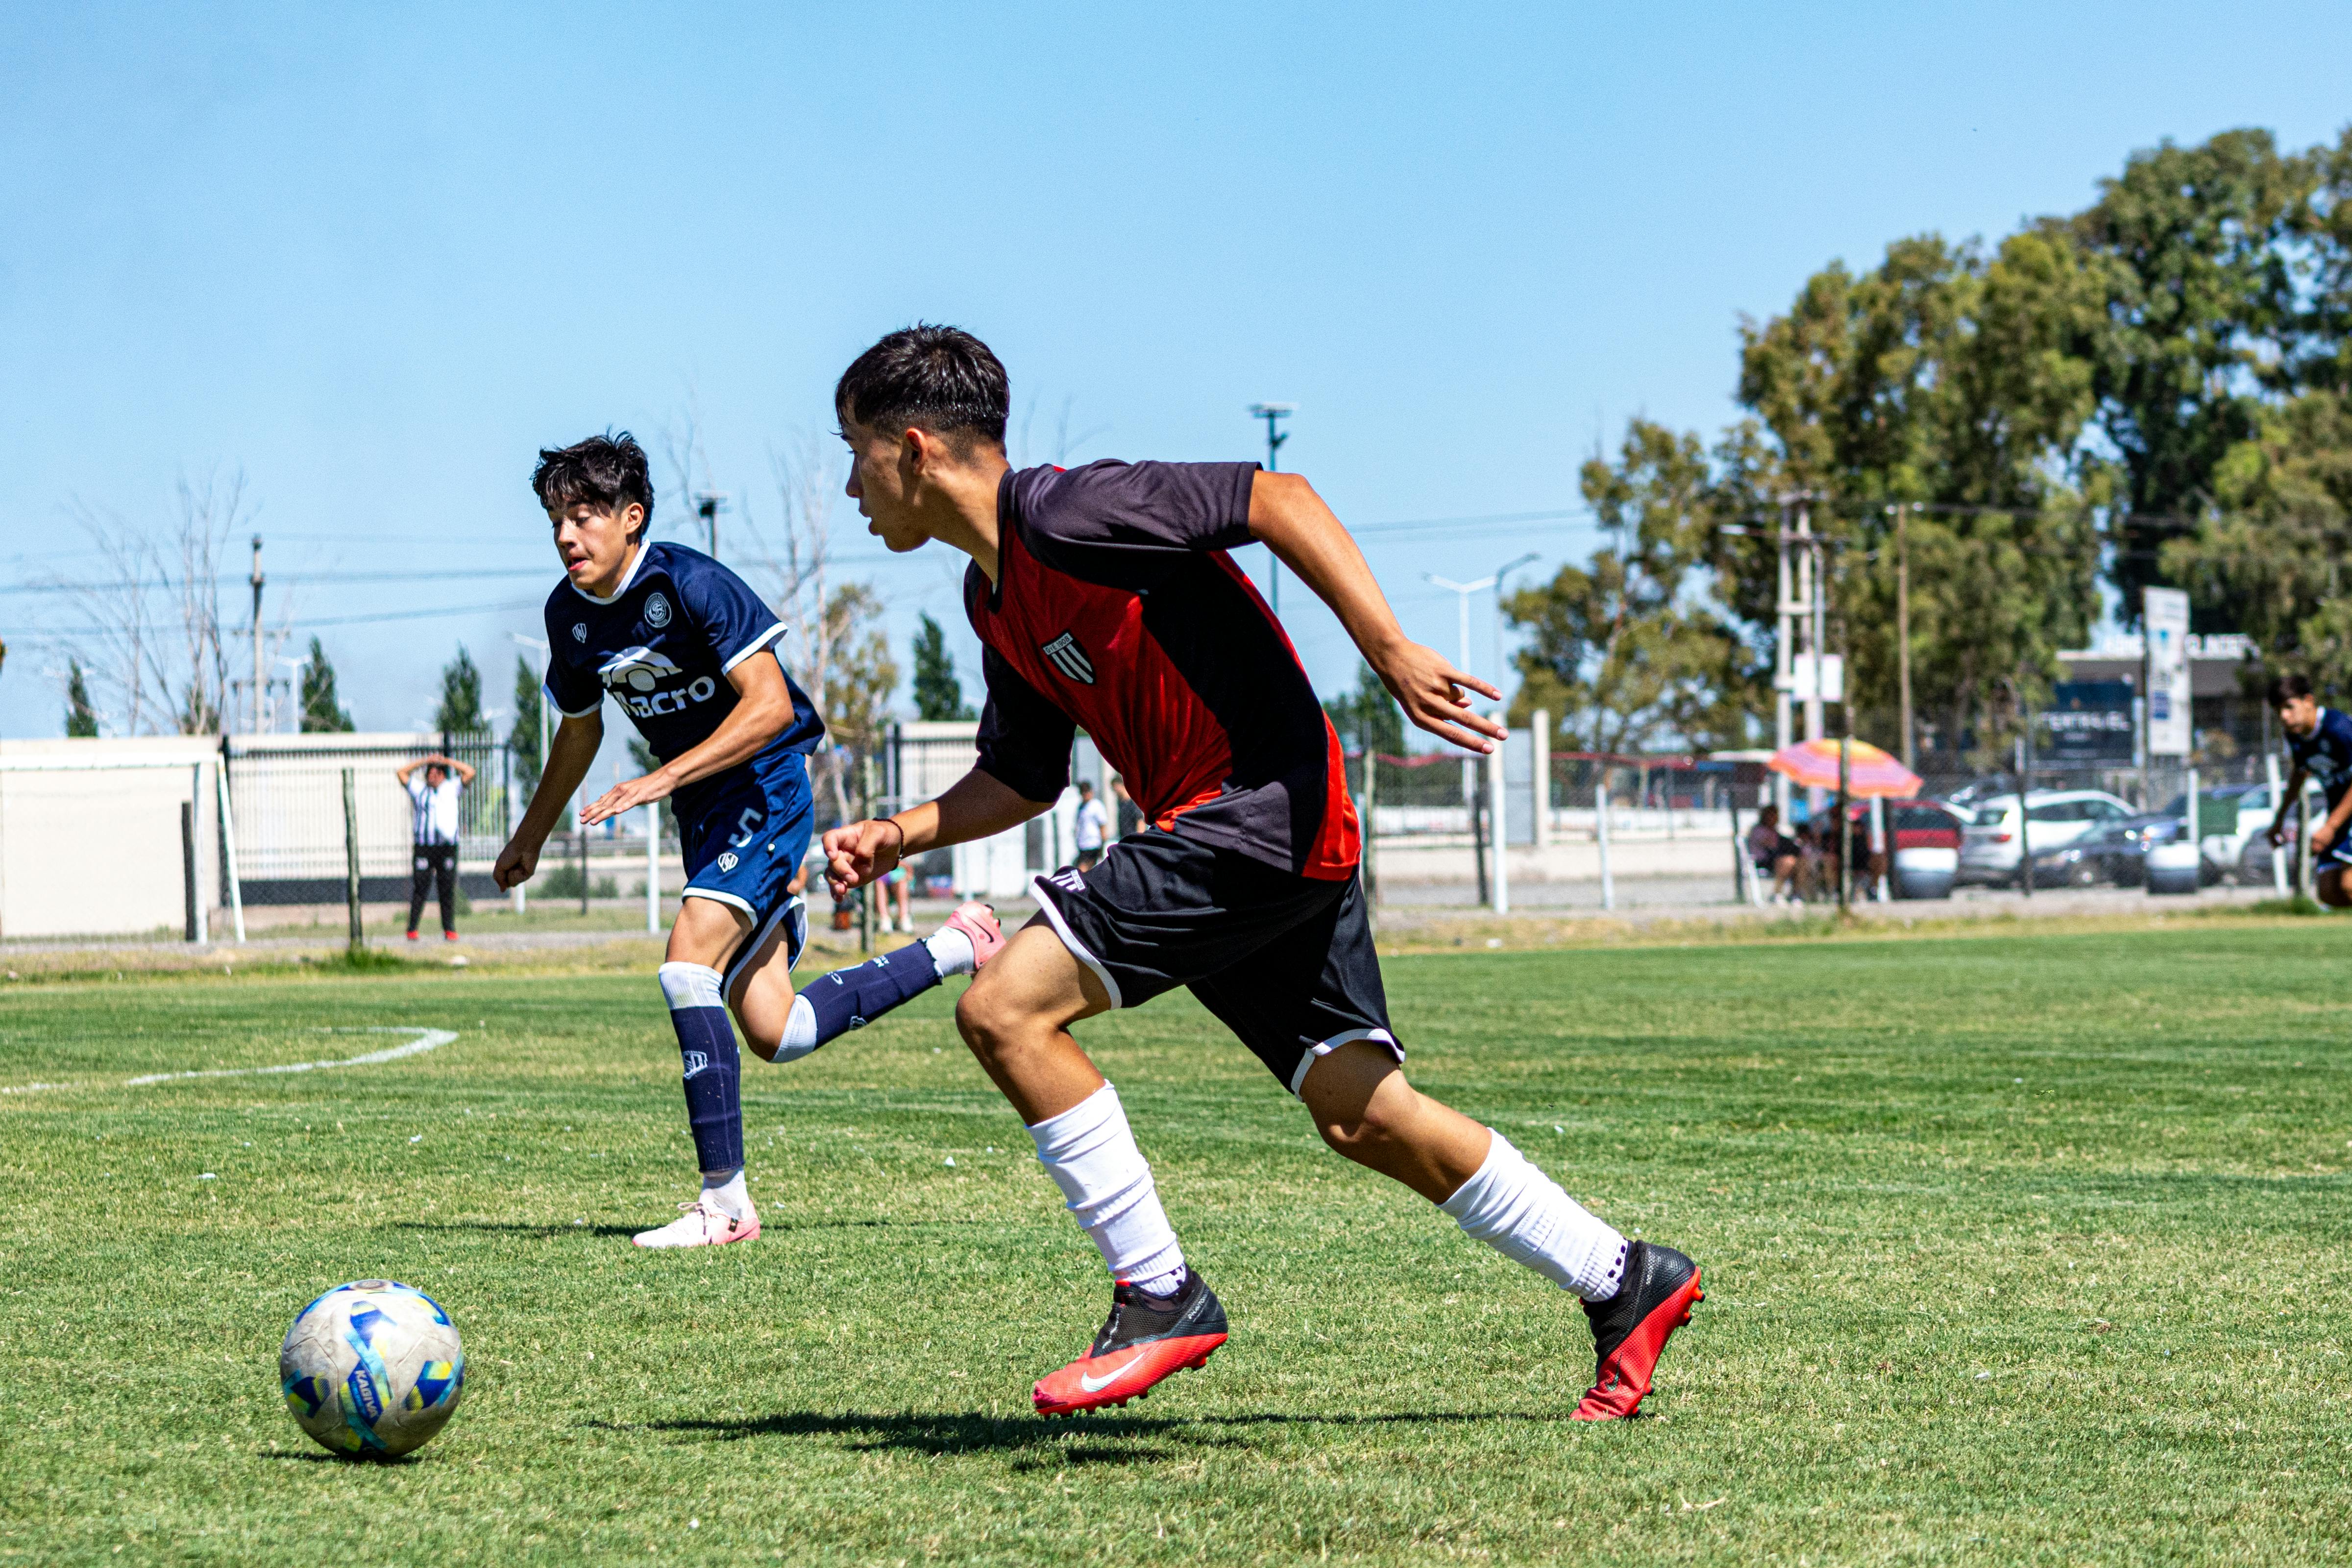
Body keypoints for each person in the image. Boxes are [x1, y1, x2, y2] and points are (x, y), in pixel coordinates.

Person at [818, 325, 1702, 1421]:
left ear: (913, 448)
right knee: (1362, 1110)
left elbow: (1276, 496)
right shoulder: (992, 600)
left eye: (854, 449)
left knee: (1005, 1007)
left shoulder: (1069, 509)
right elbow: (1024, 773)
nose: (850, 481)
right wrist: (899, 832)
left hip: (1254, 814)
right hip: (1261, 831)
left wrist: (1386, 651)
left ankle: (1161, 1293)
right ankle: (1626, 1279)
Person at [491, 431, 1005, 1250]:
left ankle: (724, 1205)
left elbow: (769, 707)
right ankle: (956, 946)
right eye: (556, 517)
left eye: (584, 517)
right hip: (704, 811)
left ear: (633, 518)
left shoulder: (691, 583)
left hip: (763, 786)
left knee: (686, 963)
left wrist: (658, 779)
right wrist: (531, 835)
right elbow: (579, 733)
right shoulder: (569, 617)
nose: (566, 535)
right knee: (777, 1030)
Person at [2268, 673, 2352, 906]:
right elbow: (2299, 774)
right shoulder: (2296, 738)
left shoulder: (2339, 729)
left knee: (2349, 885)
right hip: (2342, 815)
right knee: (2328, 892)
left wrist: (2330, 827)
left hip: (2340, 819)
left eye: (2289, 707)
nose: (2284, 716)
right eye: (2278, 711)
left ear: (2309, 701)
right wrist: (2279, 820)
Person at [397, 753, 476, 941]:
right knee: (421, 889)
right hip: (424, 848)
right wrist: (425, 761)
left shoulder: (451, 788)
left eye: (436, 773)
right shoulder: (419, 790)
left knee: (446, 889)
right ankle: (412, 929)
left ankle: (449, 930)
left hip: (447, 847)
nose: (432, 776)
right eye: (429, 773)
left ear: (442, 775)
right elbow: (401, 773)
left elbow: (470, 772)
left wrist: (446, 761)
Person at [1745, 802, 1800, 905]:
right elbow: (1772, 846)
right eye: (1772, 815)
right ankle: (1777, 893)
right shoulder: (1759, 830)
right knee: (1788, 862)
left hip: (1774, 860)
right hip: (1761, 861)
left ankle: (1795, 894)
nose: (1775, 818)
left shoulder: (1774, 831)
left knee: (1800, 862)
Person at [1072, 779, 1109, 871]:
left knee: (1082, 870)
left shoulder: (1097, 805)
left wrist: (1103, 844)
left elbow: (1103, 825)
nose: (1085, 795)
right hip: (1083, 844)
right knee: (1085, 871)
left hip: (1093, 844)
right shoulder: (1081, 807)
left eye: (1087, 792)